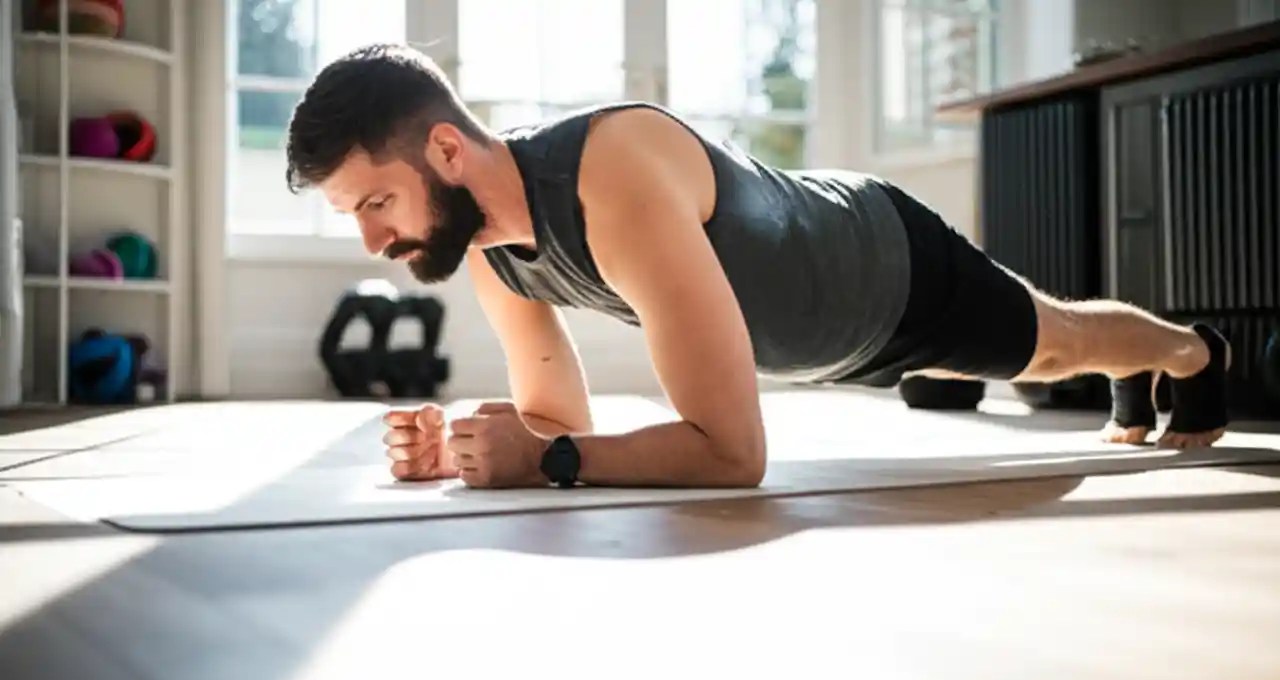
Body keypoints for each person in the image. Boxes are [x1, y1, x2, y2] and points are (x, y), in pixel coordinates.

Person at [284, 44, 1230, 490]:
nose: (373, 242)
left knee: (1053, 346)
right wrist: (474, 447)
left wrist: (550, 461)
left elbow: (734, 455)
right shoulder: (489, 248)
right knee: (1007, 362)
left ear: (447, 150)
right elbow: (556, 422)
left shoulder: (609, 171)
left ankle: (1191, 356)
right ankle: (1133, 371)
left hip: (883, 268)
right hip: (828, 341)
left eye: (375, 203)